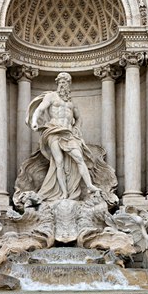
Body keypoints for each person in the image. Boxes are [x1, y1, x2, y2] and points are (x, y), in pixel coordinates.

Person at [28, 72, 101, 202]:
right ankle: (64, 192)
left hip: (68, 133)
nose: (63, 84)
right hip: (54, 131)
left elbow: (78, 119)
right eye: (61, 82)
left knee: (79, 158)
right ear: (57, 83)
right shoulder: (51, 96)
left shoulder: (72, 103)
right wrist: (34, 121)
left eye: (65, 82)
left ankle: (89, 185)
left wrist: (77, 128)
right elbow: (39, 110)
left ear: (69, 85)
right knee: (59, 162)